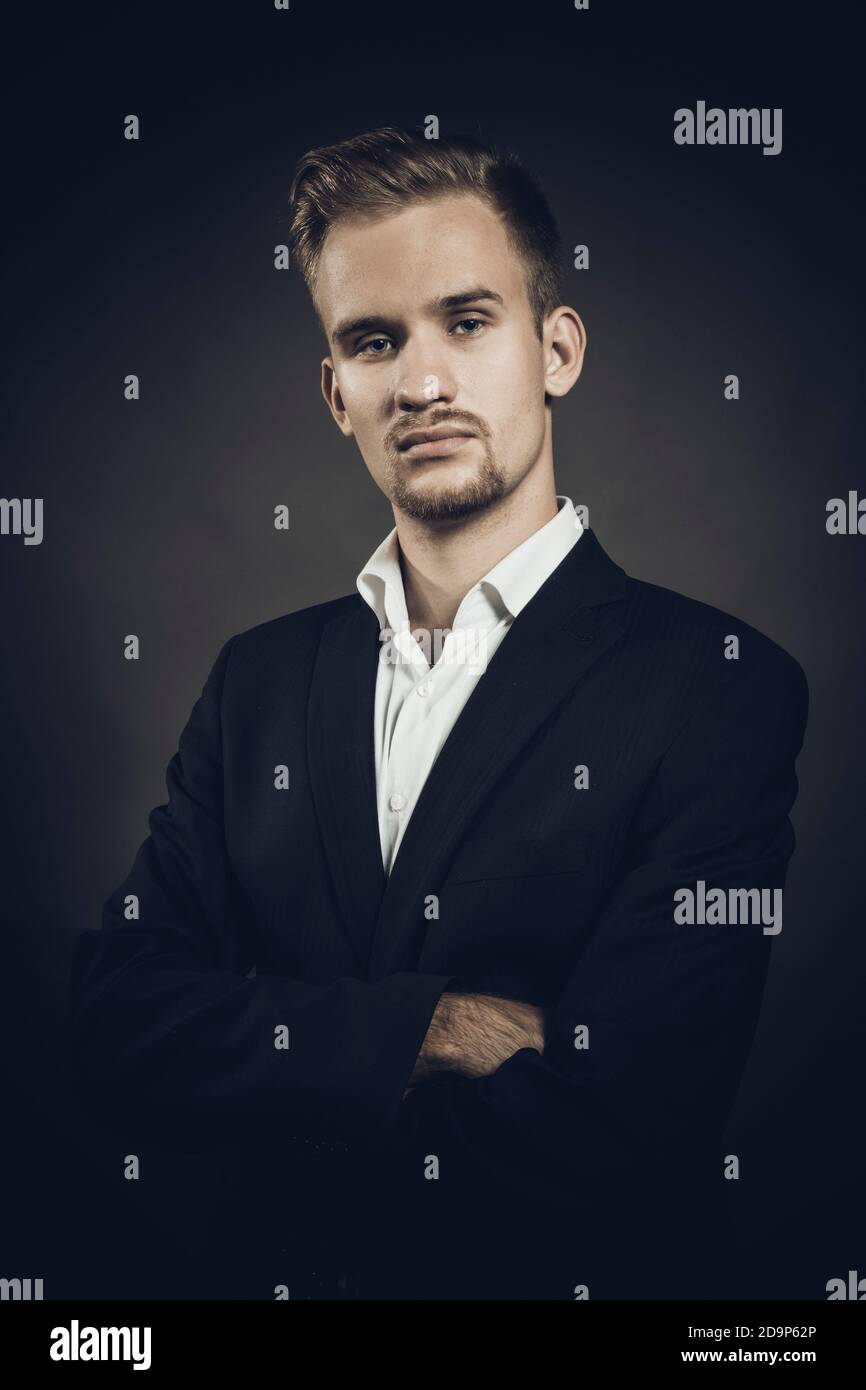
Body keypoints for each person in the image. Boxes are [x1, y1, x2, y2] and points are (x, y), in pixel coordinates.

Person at [65, 126, 808, 1300]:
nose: (419, 382)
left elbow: (626, 1126)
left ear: (554, 348)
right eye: (373, 341)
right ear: (333, 391)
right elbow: (111, 1016)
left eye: (466, 322)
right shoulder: (254, 681)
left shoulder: (718, 684)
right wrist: (435, 1030)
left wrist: (266, 1118)